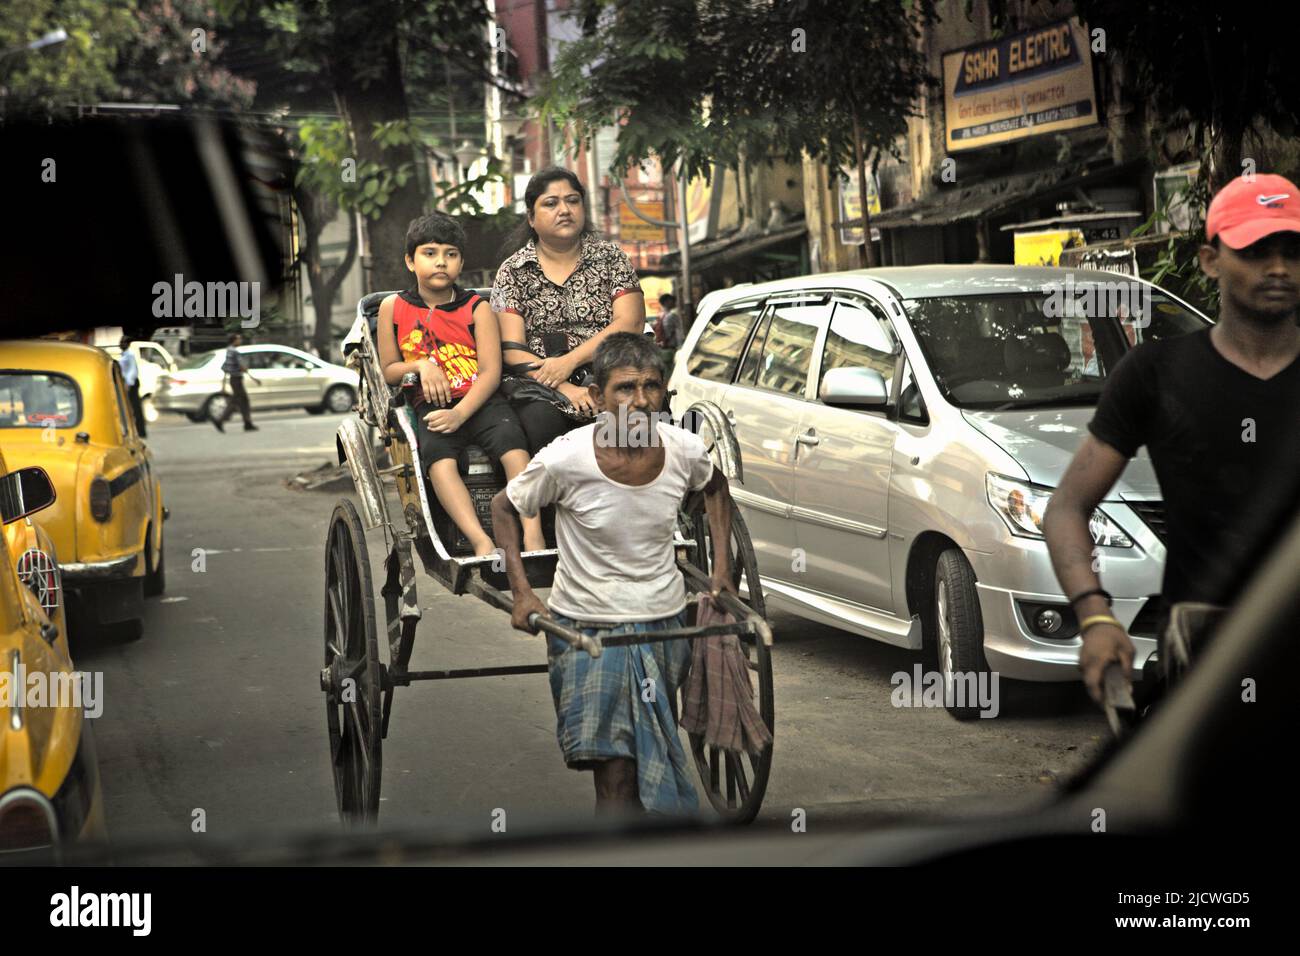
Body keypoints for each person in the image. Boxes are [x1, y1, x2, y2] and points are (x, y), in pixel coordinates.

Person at [1043, 173, 1300, 706]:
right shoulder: (1157, 374)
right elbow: (1067, 506)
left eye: (1293, 251)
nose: (1278, 268)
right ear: (1211, 260)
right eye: (1255, 251)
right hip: (1202, 657)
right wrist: (1094, 616)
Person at [490, 332, 738, 816]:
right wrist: (522, 592)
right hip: (586, 629)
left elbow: (716, 488)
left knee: (641, 762)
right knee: (617, 777)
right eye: (625, 388)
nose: (641, 401)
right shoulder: (567, 457)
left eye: (651, 386)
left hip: (666, 626)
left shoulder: (684, 450)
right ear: (598, 398)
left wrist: (723, 569)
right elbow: (504, 506)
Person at [376, 212, 545, 556]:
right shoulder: (392, 308)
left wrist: (461, 414)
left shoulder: (476, 307)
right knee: (439, 461)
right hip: (432, 407)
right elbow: (390, 370)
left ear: (461, 262)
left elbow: (490, 372)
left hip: (482, 401)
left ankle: (533, 535)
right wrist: (422, 365)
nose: (441, 262)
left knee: (515, 448)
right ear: (410, 260)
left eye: (451, 254)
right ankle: (480, 541)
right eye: (430, 253)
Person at [490, 167, 647, 453]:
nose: (564, 209)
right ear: (531, 218)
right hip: (539, 385)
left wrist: (570, 361)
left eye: (572, 201)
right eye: (551, 203)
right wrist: (564, 386)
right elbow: (511, 348)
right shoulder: (513, 271)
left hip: (612, 372)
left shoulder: (610, 258)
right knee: (542, 423)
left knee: (631, 427)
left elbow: (631, 323)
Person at [214, 332, 259, 432]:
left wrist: (223, 384)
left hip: (233, 379)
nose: (240, 341)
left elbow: (225, 367)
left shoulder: (228, 351)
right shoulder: (234, 352)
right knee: (236, 401)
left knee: (242, 401)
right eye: (239, 339)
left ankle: (247, 423)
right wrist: (254, 378)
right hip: (237, 379)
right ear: (234, 340)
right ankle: (220, 420)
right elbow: (241, 366)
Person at [117, 335, 147, 437]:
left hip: (131, 384)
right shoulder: (124, 355)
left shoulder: (129, 355)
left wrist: (128, 384)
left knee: (135, 407)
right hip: (128, 383)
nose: (121, 344)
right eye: (121, 342)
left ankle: (140, 431)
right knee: (130, 407)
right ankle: (136, 430)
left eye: (123, 343)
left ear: (127, 344)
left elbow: (132, 371)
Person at [654, 292, 684, 372]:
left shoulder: (660, 315)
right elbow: (679, 333)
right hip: (672, 350)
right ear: (667, 302)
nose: (675, 302)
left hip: (662, 349)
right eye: (672, 300)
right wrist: (682, 348)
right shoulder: (672, 316)